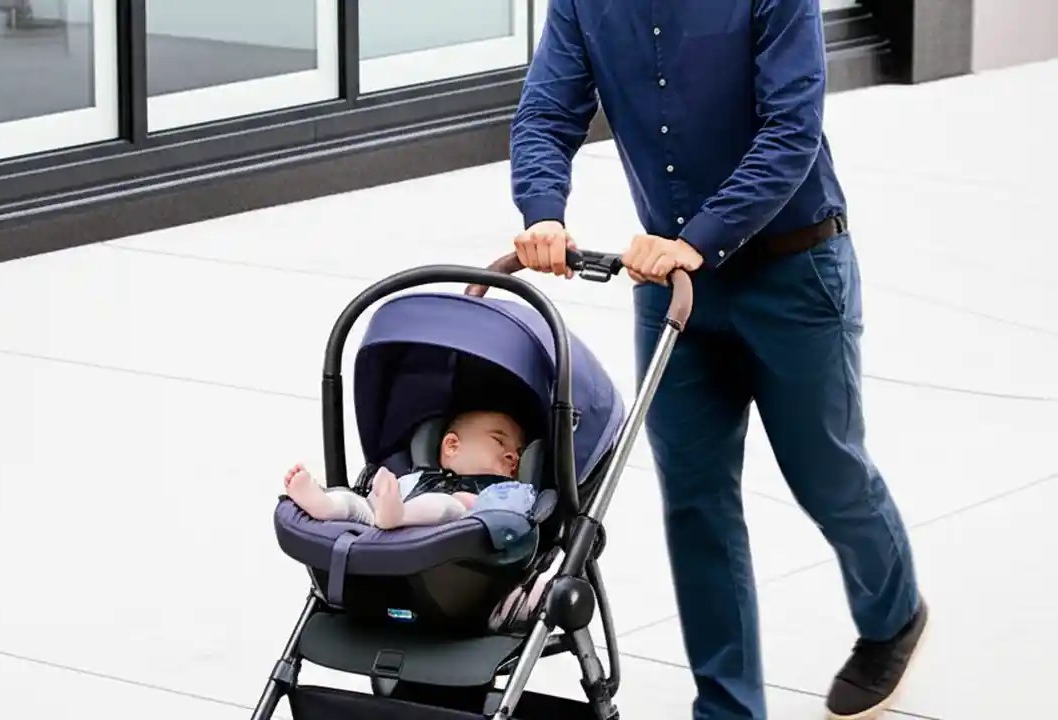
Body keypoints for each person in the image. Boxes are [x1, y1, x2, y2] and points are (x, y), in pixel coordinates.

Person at [507, 1, 926, 718]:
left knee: (828, 475)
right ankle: (729, 708)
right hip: (674, 290)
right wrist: (542, 209)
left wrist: (699, 238)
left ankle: (894, 618)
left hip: (795, 271)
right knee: (696, 502)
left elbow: (790, 133)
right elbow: (546, 113)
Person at [283, 409, 527, 530]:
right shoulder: (419, 476)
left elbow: (505, 520)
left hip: (447, 539)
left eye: (519, 452)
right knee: (360, 504)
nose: (513, 455)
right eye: (499, 441)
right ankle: (326, 504)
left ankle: (398, 516)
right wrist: (381, 497)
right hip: (384, 521)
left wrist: (472, 504)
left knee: (453, 504)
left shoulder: (504, 490)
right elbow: (381, 499)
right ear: (452, 446)